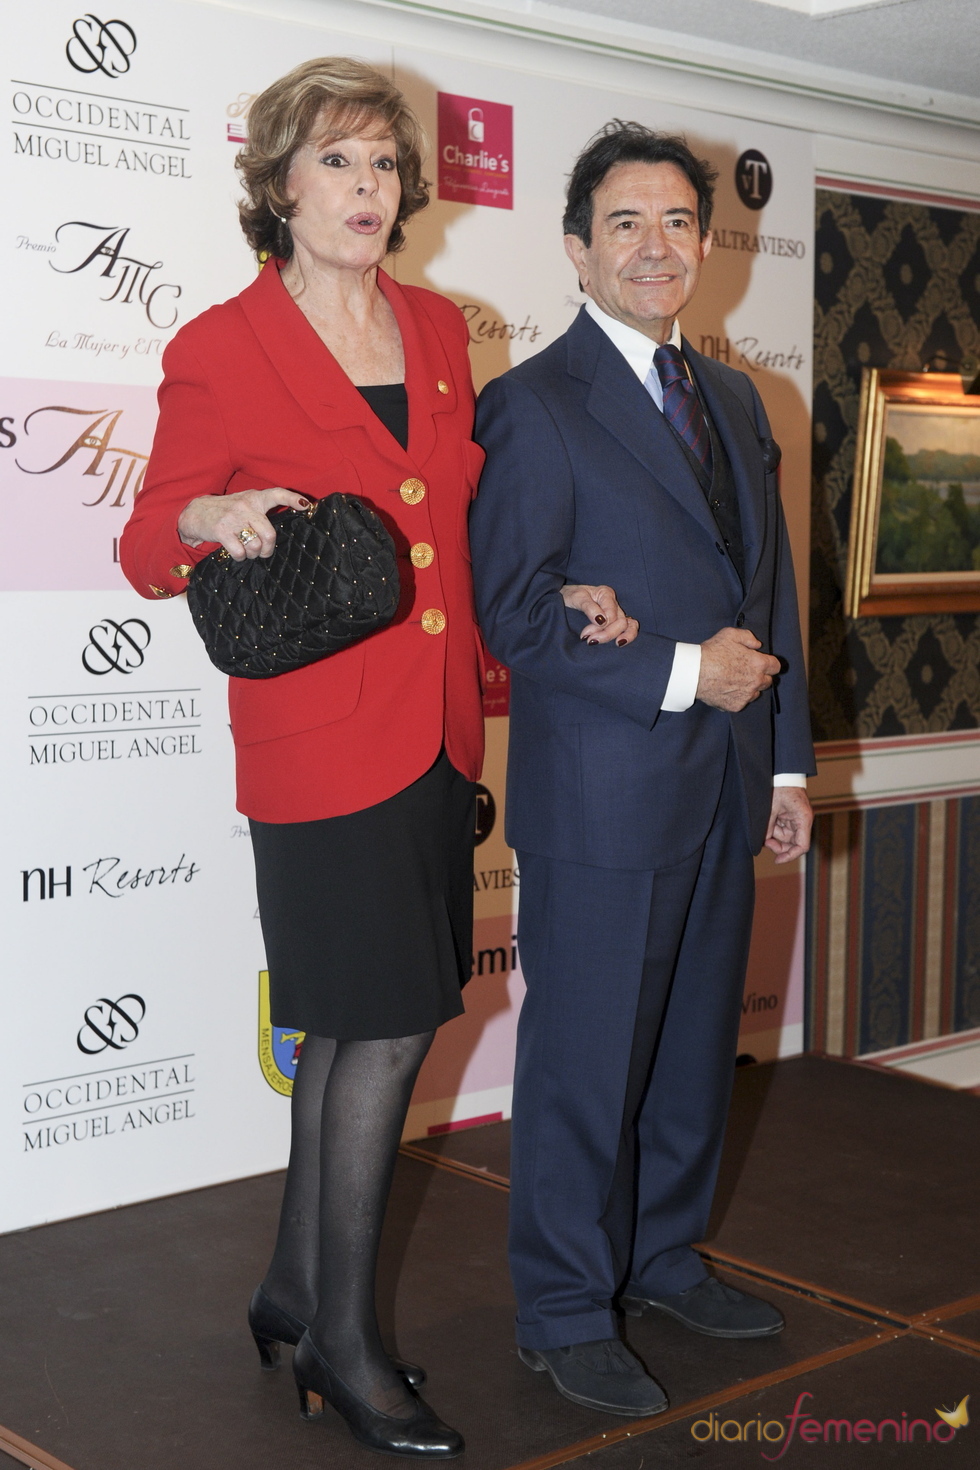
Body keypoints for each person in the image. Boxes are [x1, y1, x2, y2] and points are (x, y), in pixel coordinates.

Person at [120, 61, 632, 1458]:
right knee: (388, 1018)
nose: (366, 189)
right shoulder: (224, 344)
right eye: (337, 163)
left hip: (436, 727)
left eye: (385, 167)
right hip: (314, 742)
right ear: (278, 184)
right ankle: (345, 1338)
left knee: (359, 1023)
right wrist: (210, 508)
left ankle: (293, 1288)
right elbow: (143, 538)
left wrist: (550, 608)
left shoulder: (440, 327)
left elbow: (454, 524)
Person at [469, 121, 816, 1418]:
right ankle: (564, 1305)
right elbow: (512, 607)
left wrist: (781, 767)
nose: (659, 245)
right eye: (627, 222)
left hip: (726, 786)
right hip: (604, 799)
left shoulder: (734, 398)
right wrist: (681, 670)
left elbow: (768, 593)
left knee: (685, 1055)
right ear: (576, 247)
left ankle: (661, 1255)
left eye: (679, 221)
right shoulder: (534, 403)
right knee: (585, 1059)